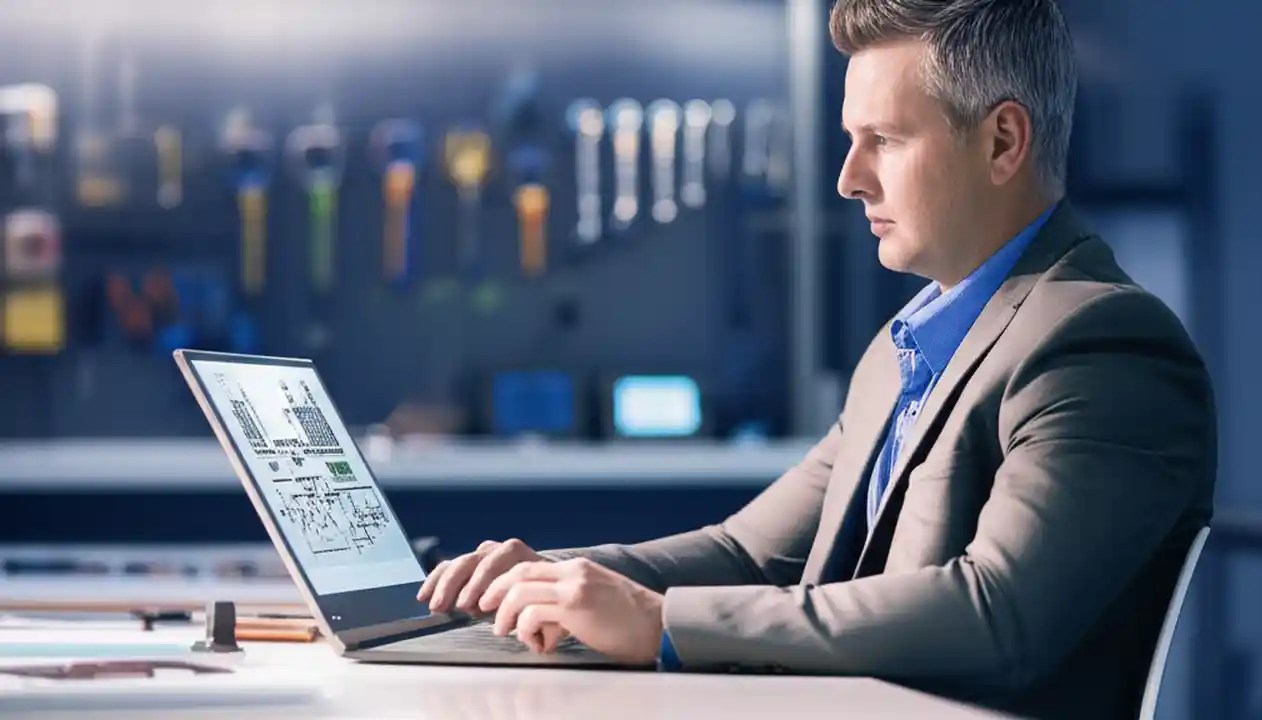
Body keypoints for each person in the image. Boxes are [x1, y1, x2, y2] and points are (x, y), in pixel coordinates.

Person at [417, 1, 1217, 716]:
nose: (847, 179)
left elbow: (997, 614)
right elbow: (748, 552)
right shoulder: (908, 347)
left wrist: (664, 623)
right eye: (849, 141)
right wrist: (548, 576)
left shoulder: (1101, 343)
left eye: (885, 141)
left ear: (1003, 139)